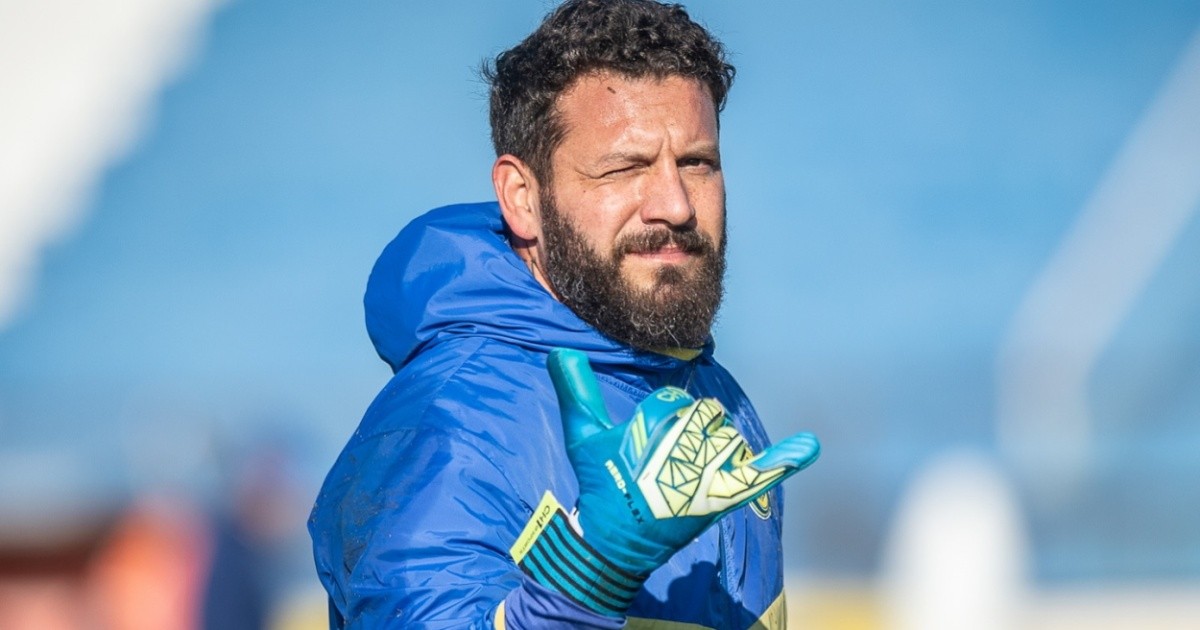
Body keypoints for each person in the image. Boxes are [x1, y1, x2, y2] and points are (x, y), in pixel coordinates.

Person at [309, 1, 820, 628]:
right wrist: (590, 573)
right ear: (523, 199)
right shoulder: (445, 429)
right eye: (624, 168)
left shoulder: (712, 393)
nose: (676, 205)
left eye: (697, 163)